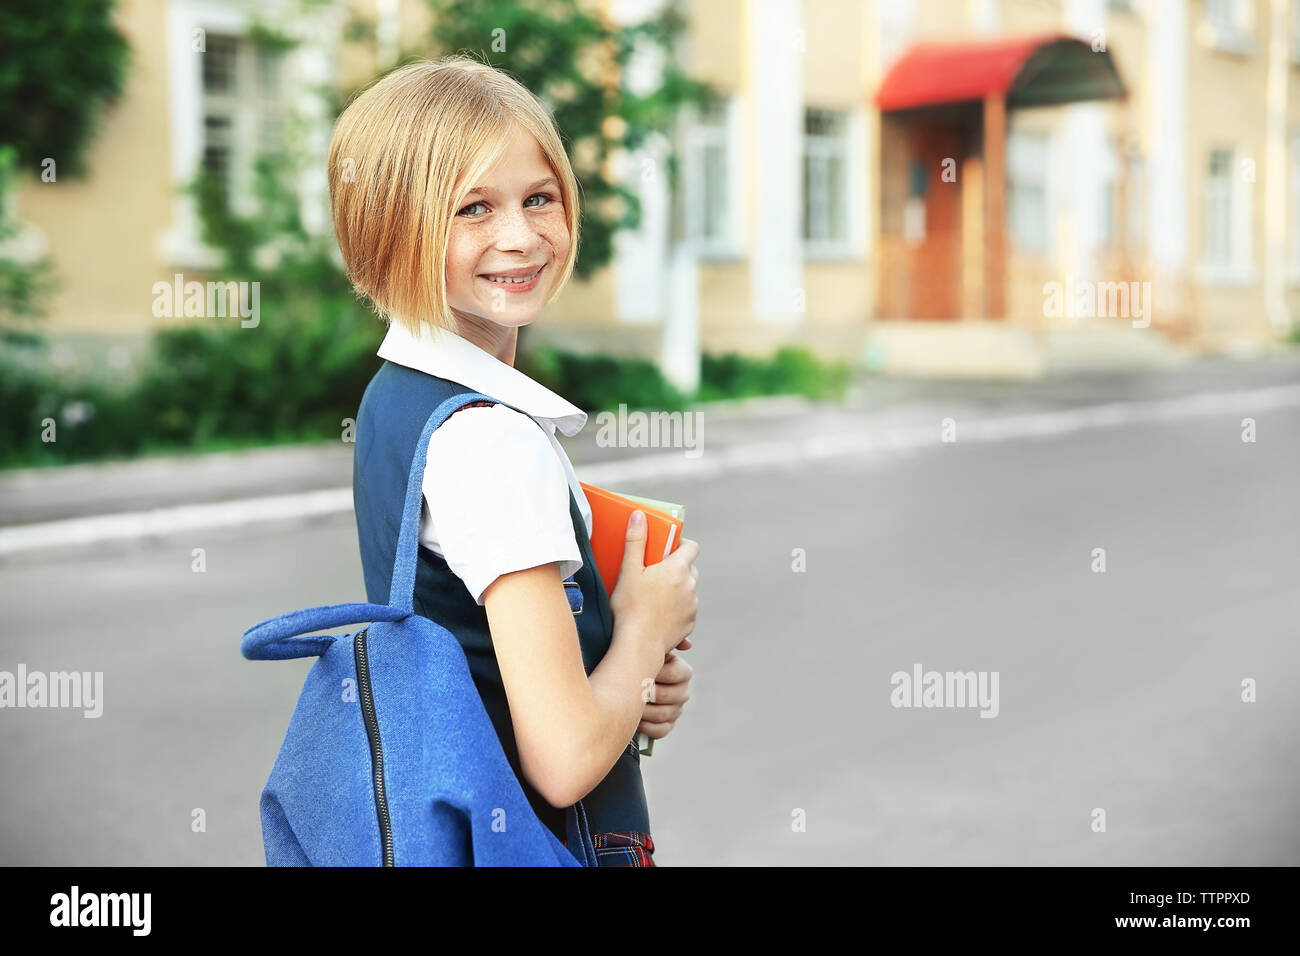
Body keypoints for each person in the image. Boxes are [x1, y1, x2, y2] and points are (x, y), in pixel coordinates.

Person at [329, 55, 699, 866]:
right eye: (473, 208)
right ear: (393, 225)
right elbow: (563, 760)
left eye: (540, 197)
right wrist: (643, 628)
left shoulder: (398, 398)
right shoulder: (492, 443)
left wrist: (626, 679)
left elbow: (489, 667)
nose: (522, 235)